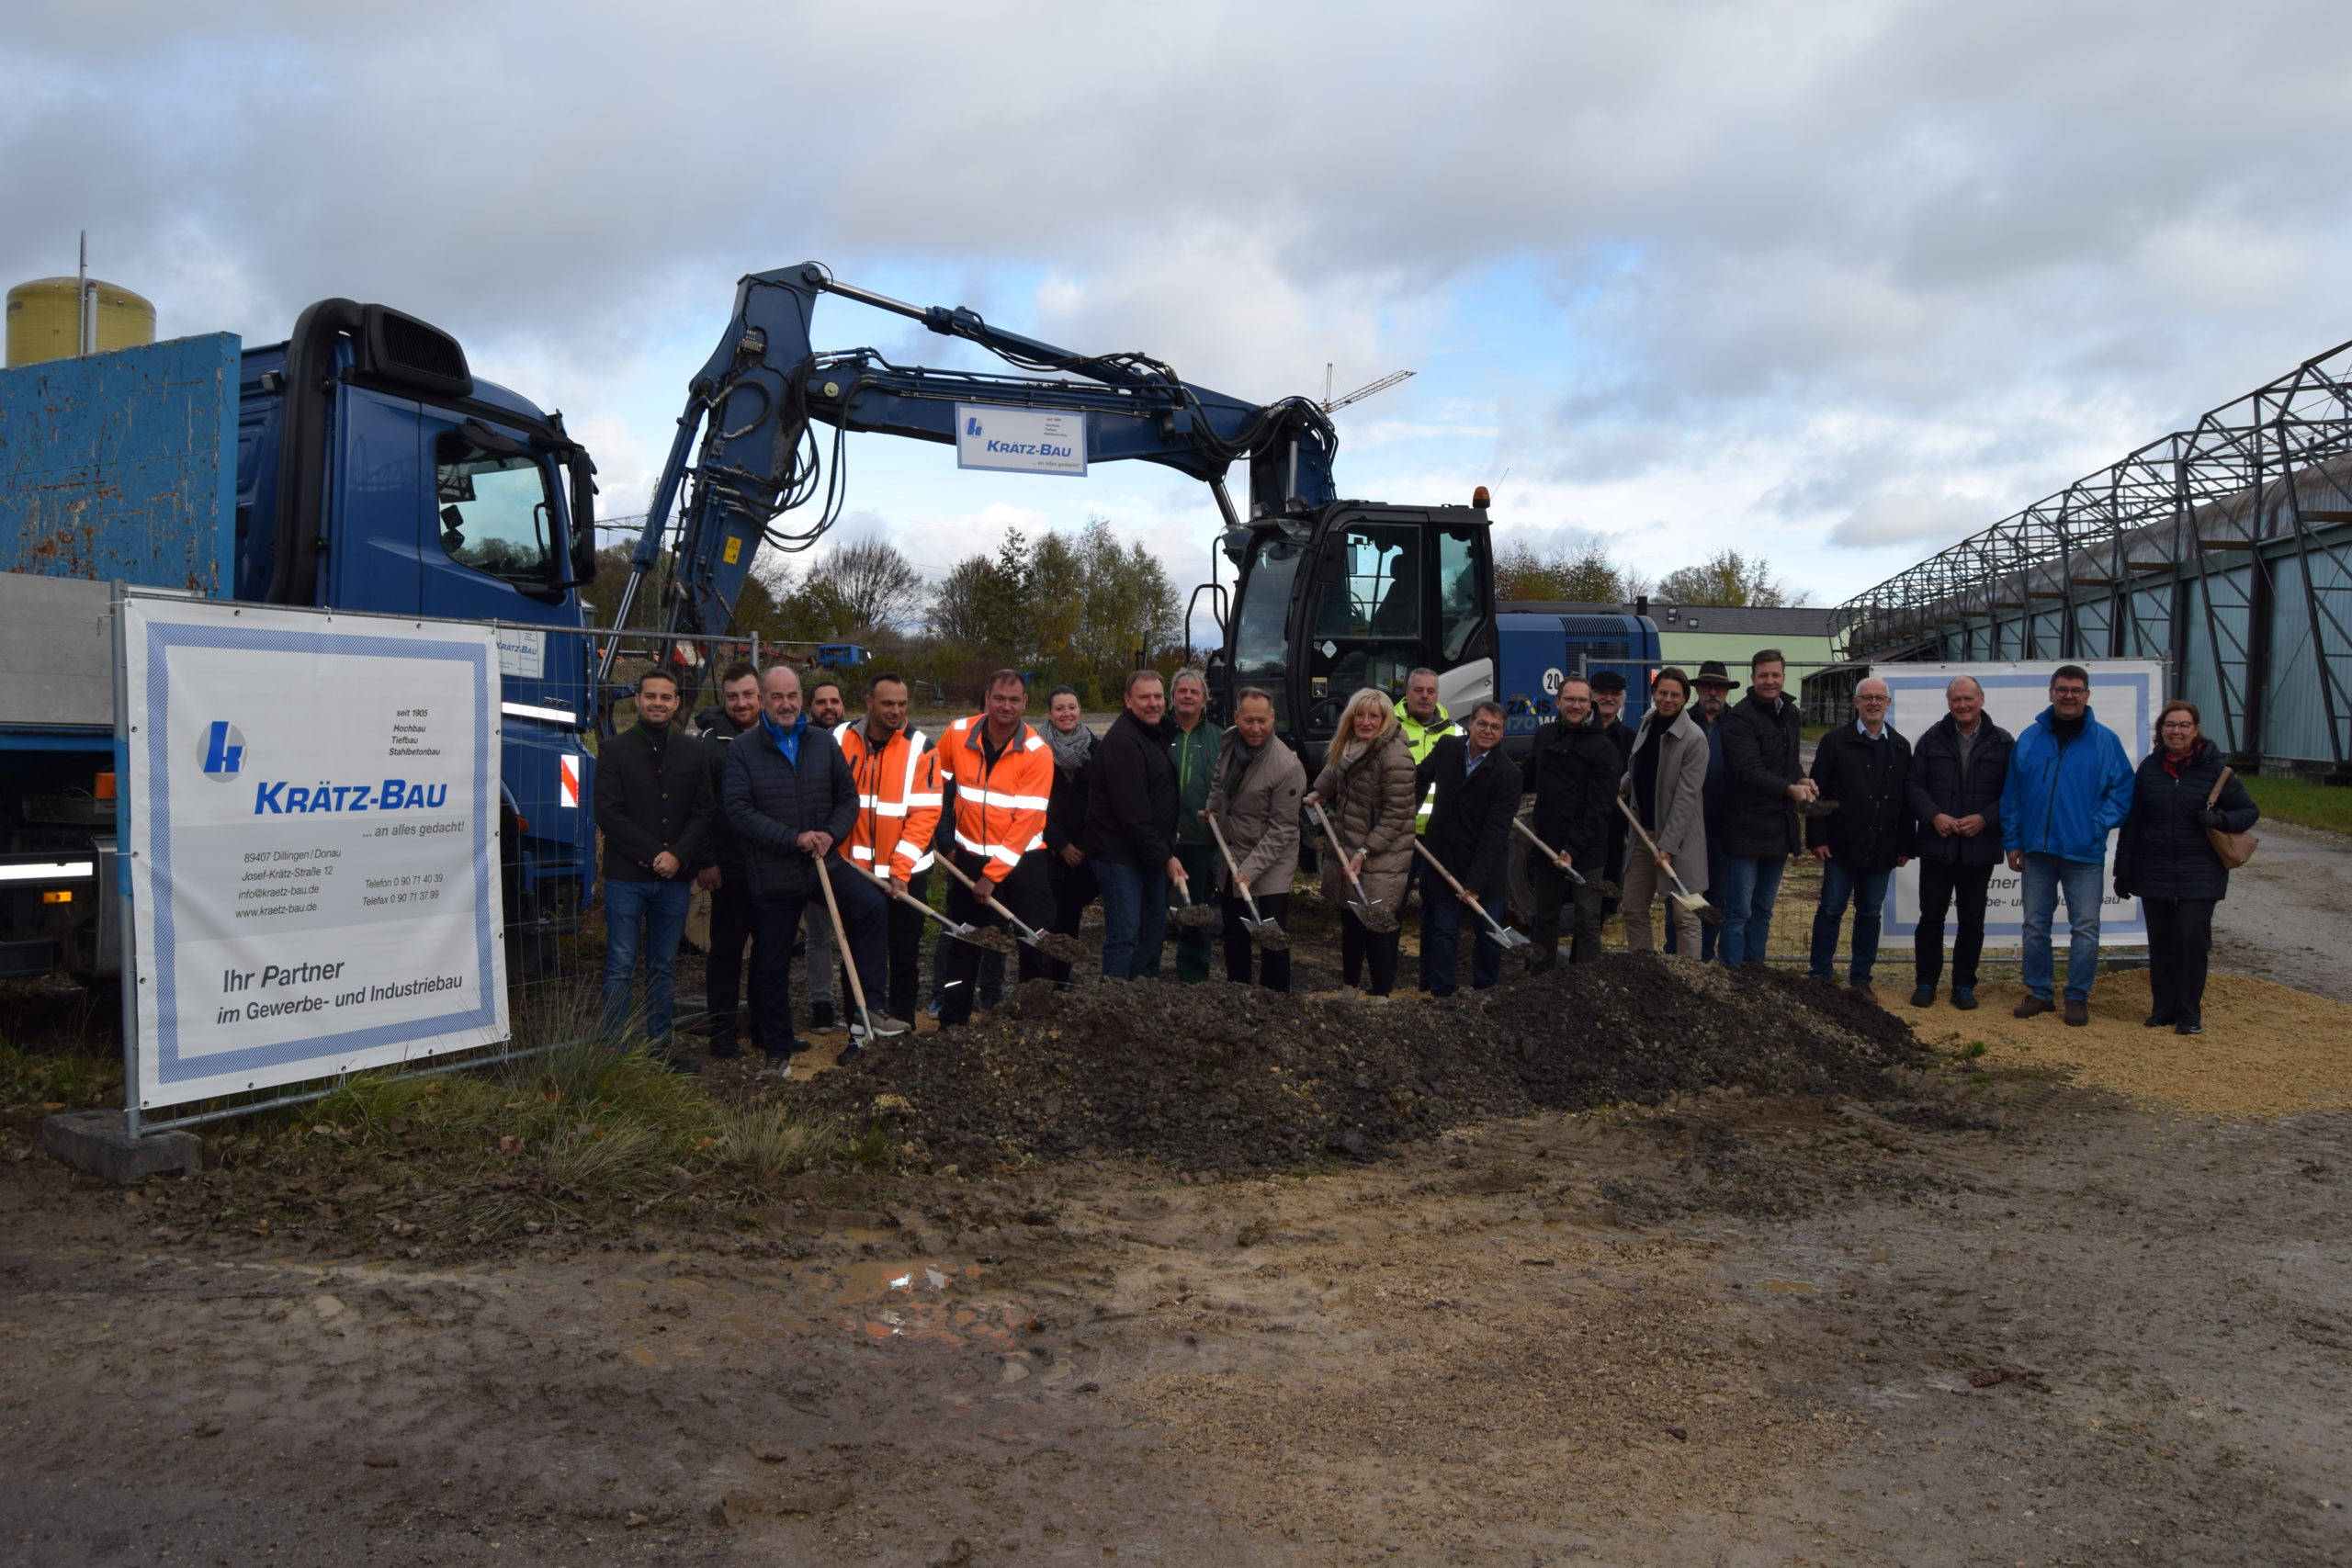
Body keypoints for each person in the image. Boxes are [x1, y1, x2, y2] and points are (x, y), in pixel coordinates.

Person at [723, 665, 905, 1071]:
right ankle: (777, 1049)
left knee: (871, 908)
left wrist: (828, 833)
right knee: (772, 960)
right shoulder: (744, 749)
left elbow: (847, 797)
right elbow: (738, 811)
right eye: (776, 697)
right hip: (774, 873)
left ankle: (869, 1010)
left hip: (825, 861)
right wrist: (794, 839)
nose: (785, 704)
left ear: (800, 698)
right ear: (764, 701)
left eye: (792, 696)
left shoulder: (823, 743)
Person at [1998, 664, 2135, 1026]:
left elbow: (2122, 793)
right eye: (2062, 689)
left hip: (2083, 852)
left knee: (2085, 927)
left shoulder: (2105, 741)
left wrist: (2096, 825)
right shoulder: (2030, 738)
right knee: (2034, 925)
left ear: (2087, 695)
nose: (2069, 695)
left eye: (2076, 689)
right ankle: (2041, 993)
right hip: (2038, 852)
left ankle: (2077, 996)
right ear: (2051, 692)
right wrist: (2013, 840)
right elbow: (2012, 795)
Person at [2114, 699, 2257, 1036]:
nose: (2176, 731)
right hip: (2155, 870)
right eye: (2170, 726)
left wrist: (2221, 818)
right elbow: (2134, 822)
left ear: (2195, 730)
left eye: (2183, 725)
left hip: (2200, 872)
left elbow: (2249, 812)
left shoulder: (2217, 770)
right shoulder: (2150, 768)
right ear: (2160, 731)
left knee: (2191, 941)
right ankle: (2162, 1009)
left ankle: (2189, 1014)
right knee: (2161, 943)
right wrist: (2124, 870)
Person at [594, 670, 711, 1069]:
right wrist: (654, 855)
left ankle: (659, 1046)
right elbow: (609, 814)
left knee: (663, 966)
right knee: (621, 965)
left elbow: (702, 811)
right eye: (650, 696)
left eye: (666, 697)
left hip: (675, 880)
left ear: (677, 702)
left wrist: (678, 855)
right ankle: (613, 1050)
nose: (658, 703)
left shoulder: (693, 752)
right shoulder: (614, 751)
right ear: (638, 700)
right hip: (628, 878)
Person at [933, 670, 1057, 1023]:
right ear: (987, 698)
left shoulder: (1037, 752)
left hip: (1024, 863)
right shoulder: (957, 733)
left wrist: (992, 876)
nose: (1006, 706)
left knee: (1032, 941)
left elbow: (1027, 823)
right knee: (965, 941)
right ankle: (953, 1021)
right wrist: (946, 842)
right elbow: (934, 787)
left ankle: (1032, 1022)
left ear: (1025, 704)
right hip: (968, 858)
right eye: (999, 698)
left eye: (1014, 700)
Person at [834, 671, 941, 1032]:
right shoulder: (838, 738)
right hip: (854, 871)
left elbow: (924, 816)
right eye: (888, 703)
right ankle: (859, 1031)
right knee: (858, 955)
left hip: (907, 872)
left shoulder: (921, 748)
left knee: (905, 952)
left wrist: (901, 870)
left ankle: (903, 1025)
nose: (896, 711)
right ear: (868, 703)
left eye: (902, 703)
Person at [1905, 675, 2012, 1010]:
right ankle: (1926, 981)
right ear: (1948, 703)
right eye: (1955, 700)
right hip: (1938, 844)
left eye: (1967, 698)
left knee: (1972, 920)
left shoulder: (2003, 742)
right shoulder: (1931, 740)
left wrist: (1985, 818)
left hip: (1979, 847)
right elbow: (1913, 785)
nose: (1962, 705)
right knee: (1931, 917)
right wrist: (1934, 815)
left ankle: (1964, 985)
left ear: (1981, 698)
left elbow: (2013, 793)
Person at [1804, 676, 1913, 1000]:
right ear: (1856, 702)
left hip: (1883, 848)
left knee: (1869, 913)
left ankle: (1861, 979)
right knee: (1831, 909)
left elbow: (1906, 800)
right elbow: (1815, 793)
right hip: (1839, 844)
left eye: (1880, 698)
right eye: (1867, 697)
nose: (1874, 703)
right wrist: (1816, 838)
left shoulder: (1900, 746)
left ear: (1888, 704)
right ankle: (1820, 975)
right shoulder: (1835, 741)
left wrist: (1907, 843)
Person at [1306, 689, 1417, 999]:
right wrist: (1319, 791)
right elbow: (1336, 768)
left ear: (1384, 720)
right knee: (1351, 924)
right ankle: (1349, 991)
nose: (1365, 722)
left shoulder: (1395, 756)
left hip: (1382, 855)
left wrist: (1365, 852)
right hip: (1350, 845)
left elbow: (1396, 815)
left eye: (1373, 716)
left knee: (1377, 928)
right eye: (1359, 714)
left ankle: (1381, 997)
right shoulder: (1351, 745)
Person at [1414, 701, 1523, 997]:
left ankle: (1485, 992)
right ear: (1470, 725)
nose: (1488, 731)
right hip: (1444, 859)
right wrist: (1407, 814)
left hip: (1485, 867)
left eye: (1495, 727)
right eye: (1482, 724)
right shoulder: (1448, 747)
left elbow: (1495, 835)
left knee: (1489, 934)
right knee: (1444, 931)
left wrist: (1474, 884)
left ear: (1502, 733)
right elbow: (1420, 777)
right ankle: (1442, 994)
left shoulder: (1508, 775)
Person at [1204, 686, 1306, 992]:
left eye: (1263, 720)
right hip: (1233, 855)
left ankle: (1274, 1001)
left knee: (1271, 938)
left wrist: (1251, 870)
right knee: (1235, 933)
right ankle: (1239, 995)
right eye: (1248, 720)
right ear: (1237, 717)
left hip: (1270, 863)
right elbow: (1220, 780)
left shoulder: (1286, 766)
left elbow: (1283, 830)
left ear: (1273, 717)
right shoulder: (1231, 743)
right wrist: (1212, 807)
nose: (1256, 728)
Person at [1717, 649, 1813, 965]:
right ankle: (1731, 975)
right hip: (1745, 828)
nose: (1769, 681)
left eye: (1775, 675)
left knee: (1763, 909)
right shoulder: (1740, 718)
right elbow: (1747, 770)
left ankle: (1755, 974)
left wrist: (1802, 778)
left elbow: (1786, 762)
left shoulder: (1790, 713)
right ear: (1752, 677)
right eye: (1763, 675)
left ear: (1784, 677)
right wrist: (1790, 790)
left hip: (1779, 827)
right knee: (1739, 910)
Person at [1083, 670, 1181, 980]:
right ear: (1128, 701)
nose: (1153, 704)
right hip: (1119, 855)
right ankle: (1113, 1001)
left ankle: (1129, 993)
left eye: (1157, 696)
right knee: (1125, 934)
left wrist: (1162, 851)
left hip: (1146, 852)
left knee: (1152, 929)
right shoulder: (1124, 743)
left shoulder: (1152, 735)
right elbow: (1133, 814)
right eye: (1144, 697)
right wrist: (1167, 856)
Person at [1521, 673, 1618, 969]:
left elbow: (1599, 808)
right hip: (1547, 847)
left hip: (1587, 851)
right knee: (1544, 916)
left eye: (1582, 700)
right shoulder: (1545, 737)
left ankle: (1585, 982)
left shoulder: (1604, 750)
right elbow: (1528, 776)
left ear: (1591, 705)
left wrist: (1573, 847)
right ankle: (1539, 977)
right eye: (1570, 699)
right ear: (1558, 701)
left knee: (1587, 918)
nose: (1576, 705)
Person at [1618, 668, 1712, 959]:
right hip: (1643, 835)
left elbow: (1686, 797)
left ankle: (1688, 980)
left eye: (1675, 694)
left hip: (1680, 841)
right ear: (1654, 694)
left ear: (1685, 698)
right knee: (1633, 908)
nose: (1668, 699)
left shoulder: (1694, 739)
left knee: (1687, 916)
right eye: (1663, 693)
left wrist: (1668, 845)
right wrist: (1622, 786)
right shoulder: (1648, 723)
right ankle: (1645, 972)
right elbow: (1639, 768)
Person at [695, 662, 763, 1059]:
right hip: (730, 865)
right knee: (727, 951)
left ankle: (762, 1027)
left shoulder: (778, 733)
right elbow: (701, 806)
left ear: (761, 696)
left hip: (771, 865)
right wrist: (706, 859)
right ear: (724, 698)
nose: (741, 703)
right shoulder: (710, 742)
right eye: (733, 696)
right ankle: (722, 1033)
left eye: (748, 694)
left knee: (769, 950)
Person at [1149, 669, 1219, 983]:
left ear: (1204, 699)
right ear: (1171, 698)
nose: (1188, 696)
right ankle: (1146, 971)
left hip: (1200, 840)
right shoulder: (1157, 734)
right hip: (1159, 840)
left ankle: (1193, 974)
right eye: (1182, 691)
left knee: (1197, 911)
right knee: (1151, 907)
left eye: (1194, 691)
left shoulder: (1219, 738)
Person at [1668, 660, 1739, 963]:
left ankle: (1706, 957)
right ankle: (1676, 955)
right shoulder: (1681, 721)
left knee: (1718, 896)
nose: (1713, 692)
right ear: (1696, 690)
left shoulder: (1738, 724)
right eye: (1707, 686)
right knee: (1682, 895)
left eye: (1719, 687)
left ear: (1726, 691)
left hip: (1725, 824)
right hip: (1685, 825)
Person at [795, 674, 846, 1031]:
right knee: (819, 934)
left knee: (854, 933)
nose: (829, 708)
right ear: (810, 707)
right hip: (813, 854)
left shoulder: (853, 740)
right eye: (821, 702)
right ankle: (822, 1004)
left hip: (851, 852)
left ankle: (860, 1004)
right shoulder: (802, 742)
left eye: (834, 701)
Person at [1038, 684, 1097, 986]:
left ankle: (1062, 983)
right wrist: (1061, 844)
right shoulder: (1035, 750)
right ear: (1049, 713)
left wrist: (1082, 845)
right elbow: (1031, 804)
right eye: (1059, 708)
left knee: (1071, 920)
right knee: (1047, 920)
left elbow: (1103, 800)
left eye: (1071, 707)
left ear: (1079, 710)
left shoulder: (1095, 748)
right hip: (1047, 850)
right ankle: (1041, 982)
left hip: (1083, 853)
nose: (1066, 713)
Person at [1589, 670, 1638, 920]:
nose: (1608, 699)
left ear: (1621, 699)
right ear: (1591, 696)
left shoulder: (1630, 739)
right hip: (1581, 826)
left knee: (1605, 893)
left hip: (1612, 827)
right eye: (1601, 693)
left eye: (1614, 694)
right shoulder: (1578, 733)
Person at [1398, 666, 1464, 836]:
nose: (1425, 696)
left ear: (1437, 695)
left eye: (1431, 691)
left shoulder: (1457, 733)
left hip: (1443, 832)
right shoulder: (1389, 729)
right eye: (1418, 690)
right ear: (1407, 693)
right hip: (1399, 830)